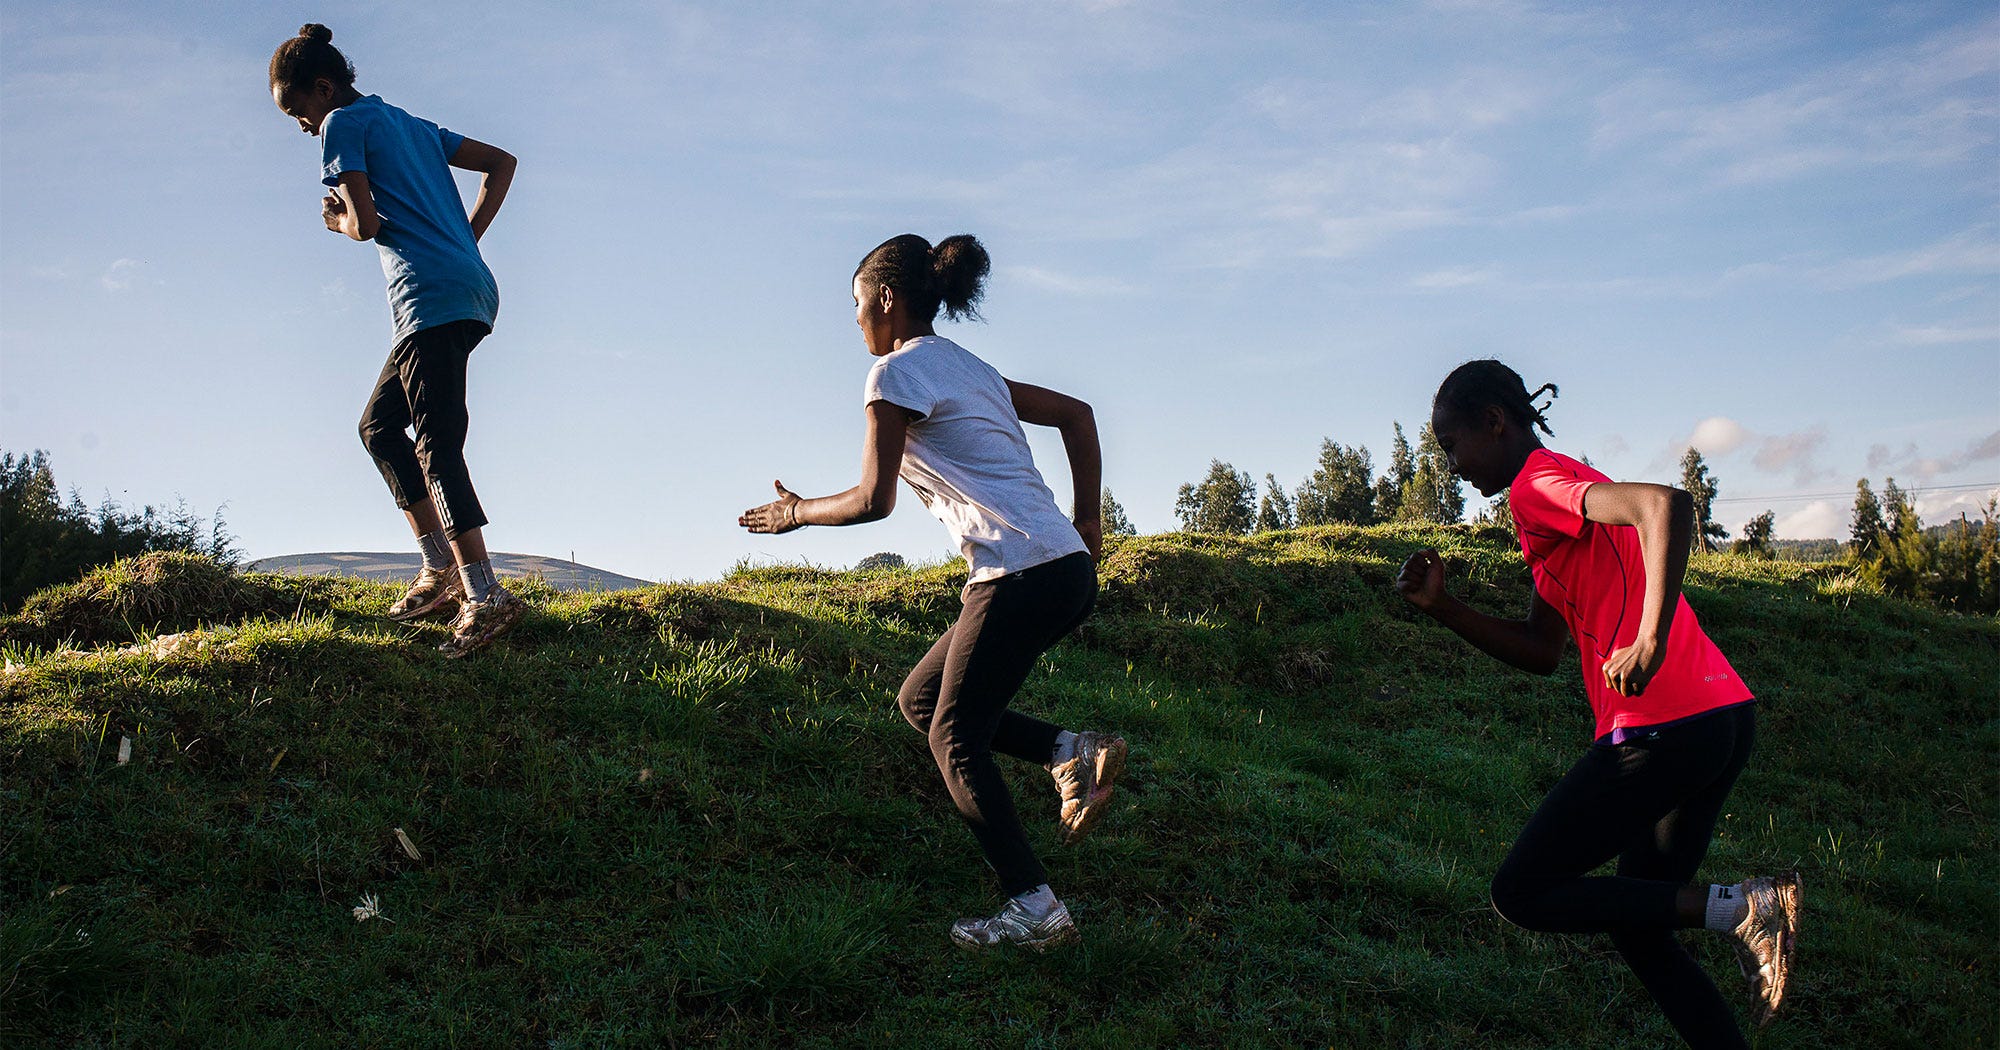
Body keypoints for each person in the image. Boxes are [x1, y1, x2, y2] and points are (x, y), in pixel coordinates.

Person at [1394, 360, 1800, 1047]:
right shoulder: (1557, 495)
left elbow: (1665, 506)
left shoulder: (1536, 485)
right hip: (1721, 715)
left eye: (1452, 445)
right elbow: (1540, 648)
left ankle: (1741, 908)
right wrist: (1443, 608)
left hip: (1664, 723)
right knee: (1641, 928)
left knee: (1521, 891)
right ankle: (1733, 923)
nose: (1451, 465)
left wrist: (1649, 639)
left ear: (1494, 422)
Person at [739, 233, 1127, 952]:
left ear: (886, 299)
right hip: (1064, 569)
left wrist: (794, 513)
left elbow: (872, 500)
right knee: (922, 701)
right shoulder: (972, 369)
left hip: (1017, 571)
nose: (856, 321)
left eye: (857, 304)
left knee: (953, 735)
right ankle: (1070, 749)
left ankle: (1034, 908)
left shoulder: (892, 375)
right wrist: (1088, 524)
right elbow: (1079, 414)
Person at [269, 24, 523, 657]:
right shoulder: (409, 123)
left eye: (298, 110)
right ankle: (440, 569)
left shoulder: (341, 125)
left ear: (323, 88)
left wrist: (338, 222)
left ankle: (485, 593)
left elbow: (365, 224)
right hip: (466, 288)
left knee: (436, 445)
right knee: (379, 428)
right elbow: (502, 163)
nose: (303, 125)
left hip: (430, 297)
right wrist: (464, 240)